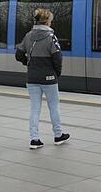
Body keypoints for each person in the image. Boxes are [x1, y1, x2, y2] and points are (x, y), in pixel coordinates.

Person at [16, 9, 69, 149]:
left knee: (35, 108)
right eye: (50, 20)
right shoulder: (51, 37)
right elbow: (57, 58)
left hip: (32, 77)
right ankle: (58, 135)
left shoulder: (28, 36)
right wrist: (57, 73)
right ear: (47, 22)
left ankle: (34, 139)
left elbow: (18, 55)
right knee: (54, 106)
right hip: (49, 77)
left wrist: (28, 63)